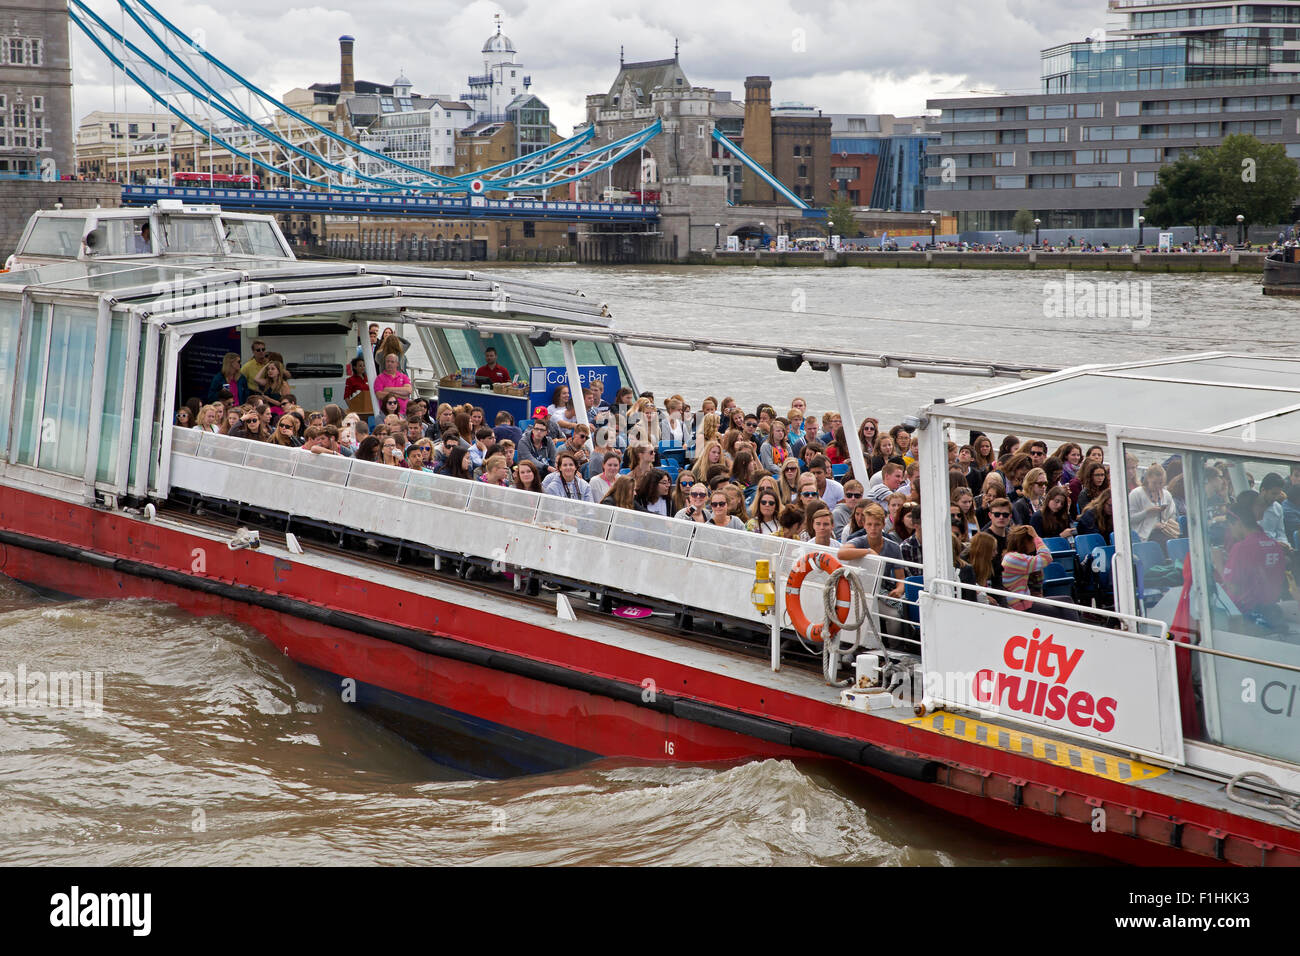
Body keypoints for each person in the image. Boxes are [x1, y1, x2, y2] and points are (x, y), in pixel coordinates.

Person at [1221, 492, 1287, 628]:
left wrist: (1217, 563)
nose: (1231, 532)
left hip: (1245, 614)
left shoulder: (1241, 548)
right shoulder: (1274, 545)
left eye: (1231, 527)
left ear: (1237, 523)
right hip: (1270, 610)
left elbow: (1233, 588)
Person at [1002, 526, 1079, 621]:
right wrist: (1035, 536)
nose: (1035, 543)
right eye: (1032, 540)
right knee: (1064, 611)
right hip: (1020, 606)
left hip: (1026, 601)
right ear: (1025, 542)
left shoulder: (1015, 557)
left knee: (1067, 600)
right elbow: (1047, 557)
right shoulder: (1014, 559)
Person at [1128, 461, 1179, 546]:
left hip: (1164, 533)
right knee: (1160, 542)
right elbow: (1130, 519)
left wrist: (1165, 524)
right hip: (1143, 536)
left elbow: (1172, 515)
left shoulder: (1166, 494)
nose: (1158, 486)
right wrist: (1147, 512)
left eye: (1161, 483)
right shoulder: (1136, 494)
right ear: (1148, 479)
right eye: (1154, 483)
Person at [372, 352, 413, 416]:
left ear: (397, 364)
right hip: (387, 414)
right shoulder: (379, 378)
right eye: (387, 361)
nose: (389, 364)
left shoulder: (403, 376)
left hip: (403, 413)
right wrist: (401, 396)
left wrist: (387, 389)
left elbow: (408, 391)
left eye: (392, 362)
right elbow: (379, 395)